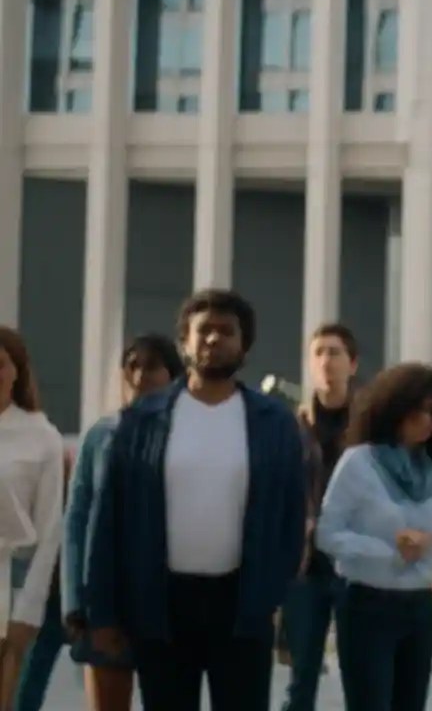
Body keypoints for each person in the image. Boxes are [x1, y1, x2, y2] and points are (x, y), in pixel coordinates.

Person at [85, 289, 309, 711]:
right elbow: (109, 517)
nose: (213, 339)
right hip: (161, 604)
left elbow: (290, 514)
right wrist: (103, 612)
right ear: (185, 341)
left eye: (227, 331)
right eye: (203, 330)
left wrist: (274, 591)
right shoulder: (143, 420)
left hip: (242, 605)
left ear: (244, 346)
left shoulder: (273, 422)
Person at [317, 362, 432, 711]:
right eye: (419, 409)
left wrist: (431, 544)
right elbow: (327, 535)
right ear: (395, 408)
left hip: (419, 606)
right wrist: (387, 551)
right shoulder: (359, 462)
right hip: (366, 605)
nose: (428, 420)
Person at [61, 334, 184, 711]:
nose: (139, 374)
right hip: (106, 595)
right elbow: (77, 518)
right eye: (131, 365)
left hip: (166, 598)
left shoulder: (183, 432)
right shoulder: (100, 435)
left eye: (150, 365)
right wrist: (74, 601)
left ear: (172, 375)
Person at [281, 323, 359, 711]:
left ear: (353, 364)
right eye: (319, 353)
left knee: (361, 676)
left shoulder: (368, 426)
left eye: (335, 352)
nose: (326, 361)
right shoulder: (292, 424)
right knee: (302, 678)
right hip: (307, 564)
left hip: (355, 561)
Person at [0, 327, 65, 709]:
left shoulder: (41, 436)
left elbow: (50, 530)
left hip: (11, 588)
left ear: (17, 371)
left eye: (1, 364)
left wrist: (30, 608)